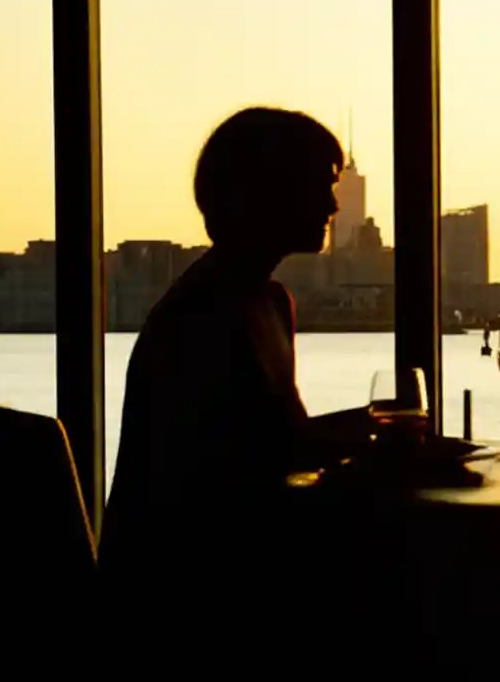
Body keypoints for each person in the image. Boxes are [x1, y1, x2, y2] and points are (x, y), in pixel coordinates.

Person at [101, 107, 368, 665]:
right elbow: (236, 479)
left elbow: (277, 443)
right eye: (321, 184)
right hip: (190, 608)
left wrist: (371, 429)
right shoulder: (205, 315)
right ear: (269, 190)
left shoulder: (260, 302)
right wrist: (369, 439)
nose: (333, 205)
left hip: (210, 581)